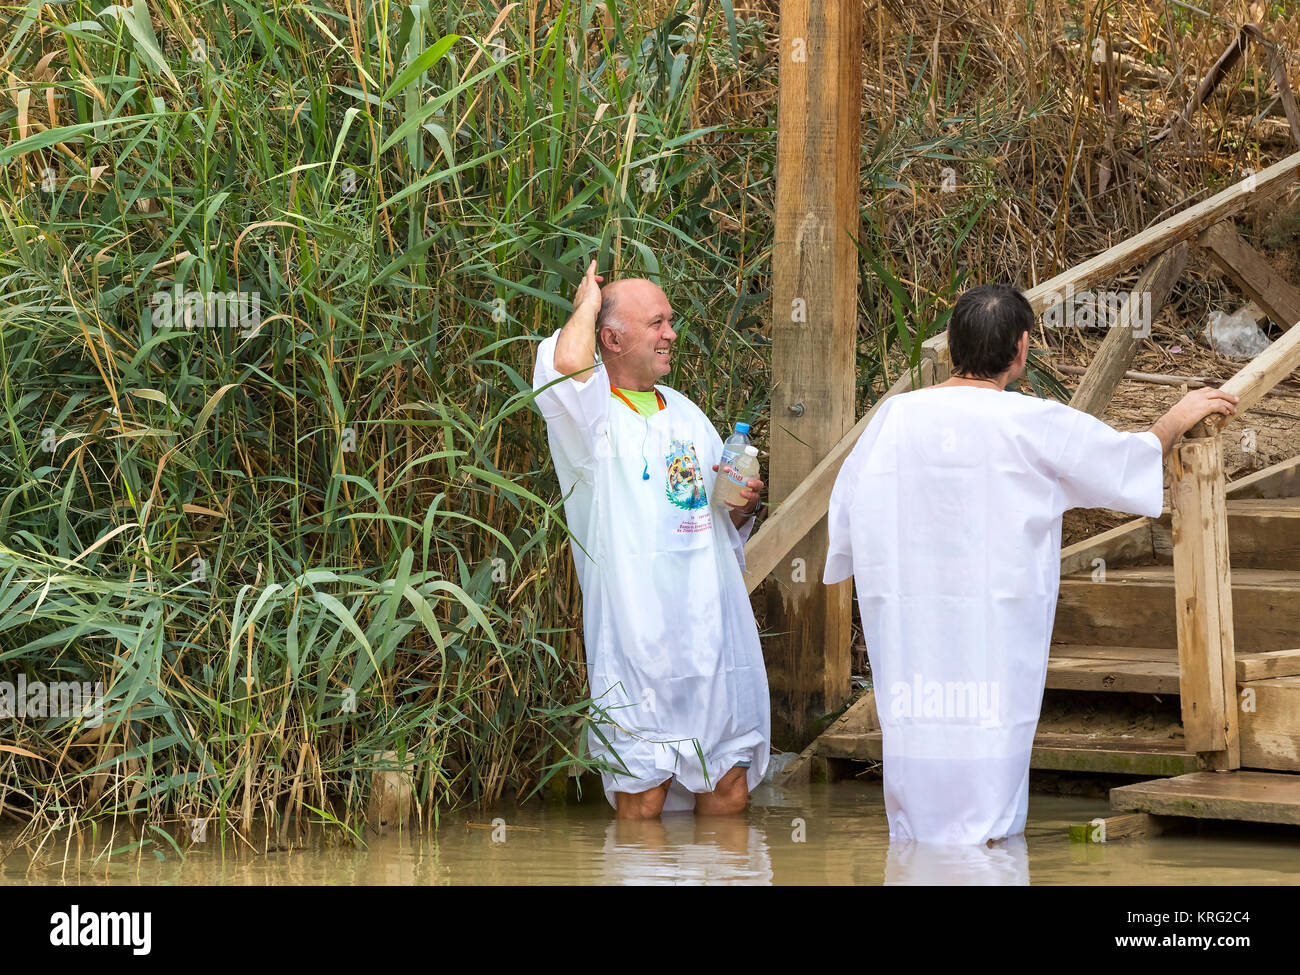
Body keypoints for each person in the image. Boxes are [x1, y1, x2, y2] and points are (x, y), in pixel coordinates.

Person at [822, 283, 1238, 845]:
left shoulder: (895, 418)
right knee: (991, 738)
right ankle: (986, 852)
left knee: (917, 729)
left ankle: (922, 852)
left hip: (912, 617)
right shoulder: (1033, 421)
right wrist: (1174, 418)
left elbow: (846, 515)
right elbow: (1121, 462)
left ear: (951, 347)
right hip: (996, 622)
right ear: (1021, 350)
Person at [532, 260, 770, 818]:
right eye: (657, 323)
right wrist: (588, 303)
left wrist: (743, 507)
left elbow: (717, 521)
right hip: (635, 641)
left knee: (728, 789)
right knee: (643, 798)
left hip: (707, 637)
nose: (671, 334)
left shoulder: (686, 414)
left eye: (671, 321)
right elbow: (568, 364)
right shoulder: (588, 421)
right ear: (610, 339)